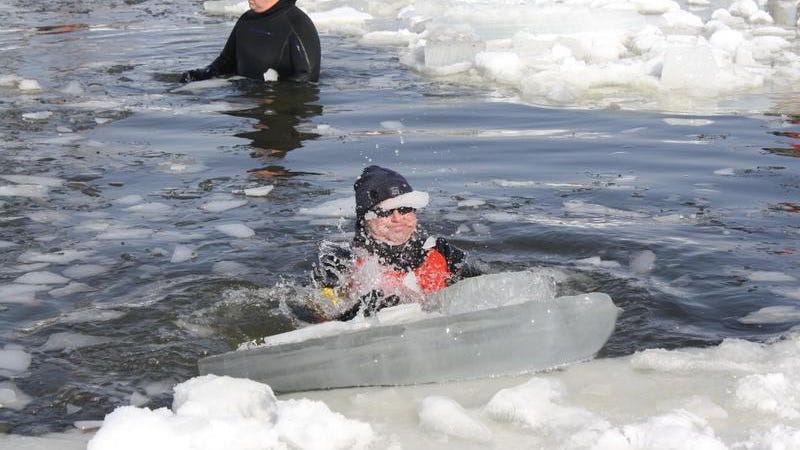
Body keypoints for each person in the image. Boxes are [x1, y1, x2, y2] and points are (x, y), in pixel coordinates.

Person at [312, 166, 471, 321]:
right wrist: (351, 319)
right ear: (364, 220)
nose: (397, 218)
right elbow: (318, 320)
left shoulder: (443, 253)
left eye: (404, 209)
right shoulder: (340, 263)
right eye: (386, 211)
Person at [180, 0, 320, 83]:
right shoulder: (246, 20)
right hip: (246, 105)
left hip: (278, 109)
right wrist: (203, 74)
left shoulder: (297, 24)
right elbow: (227, 61)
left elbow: (308, 78)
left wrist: (275, 98)